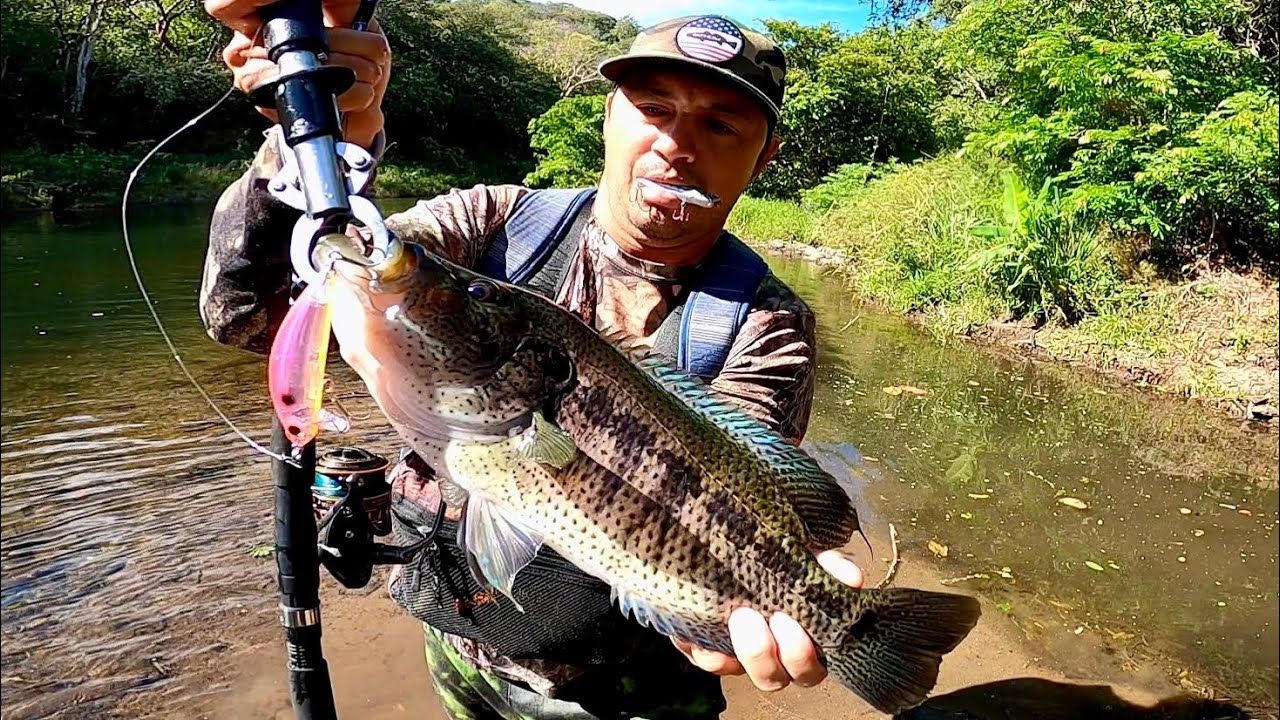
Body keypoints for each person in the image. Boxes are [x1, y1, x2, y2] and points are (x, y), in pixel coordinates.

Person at [199, 2, 866, 718]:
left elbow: (739, 489)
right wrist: (314, 148)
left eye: (722, 125)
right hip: (461, 642)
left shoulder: (769, 322)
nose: (676, 144)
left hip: (628, 690)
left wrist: (725, 611)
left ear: (764, 159)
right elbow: (249, 313)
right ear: (608, 117)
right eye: (653, 108)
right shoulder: (492, 222)